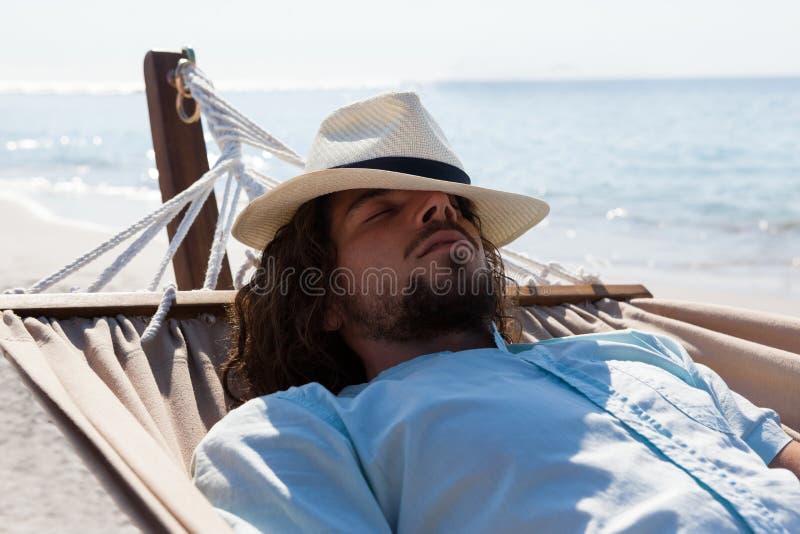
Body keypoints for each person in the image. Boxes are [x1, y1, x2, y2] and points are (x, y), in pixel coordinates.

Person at [192, 92, 800, 532]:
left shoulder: (638, 350)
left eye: (455, 206)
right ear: (325, 300)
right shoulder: (306, 434)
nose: (440, 208)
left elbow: (783, 459)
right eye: (381, 209)